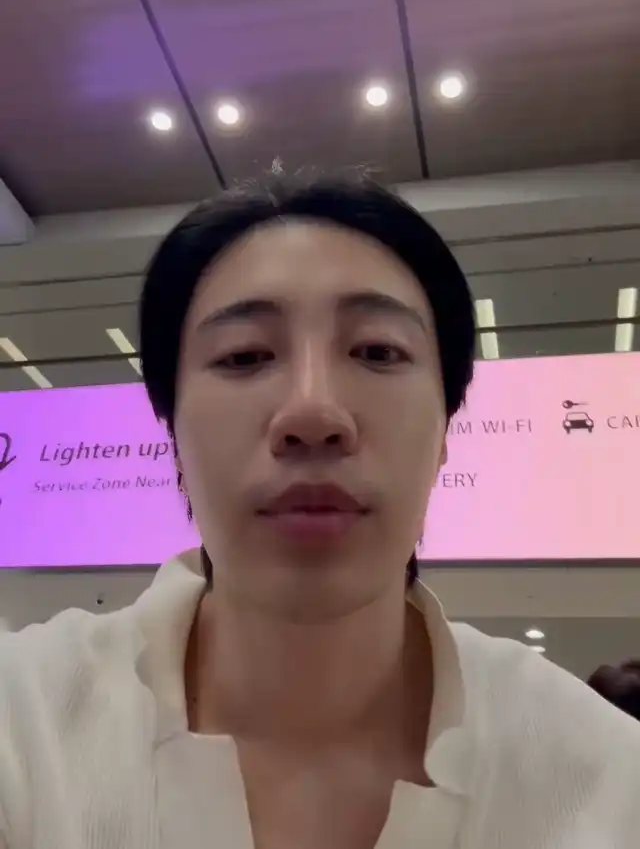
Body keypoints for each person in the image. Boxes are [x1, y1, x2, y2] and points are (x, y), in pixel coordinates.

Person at [1, 173, 640, 849]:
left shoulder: (608, 779)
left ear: (445, 434)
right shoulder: (23, 724)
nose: (312, 413)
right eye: (245, 356)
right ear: (174, 435)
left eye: (377, 352)